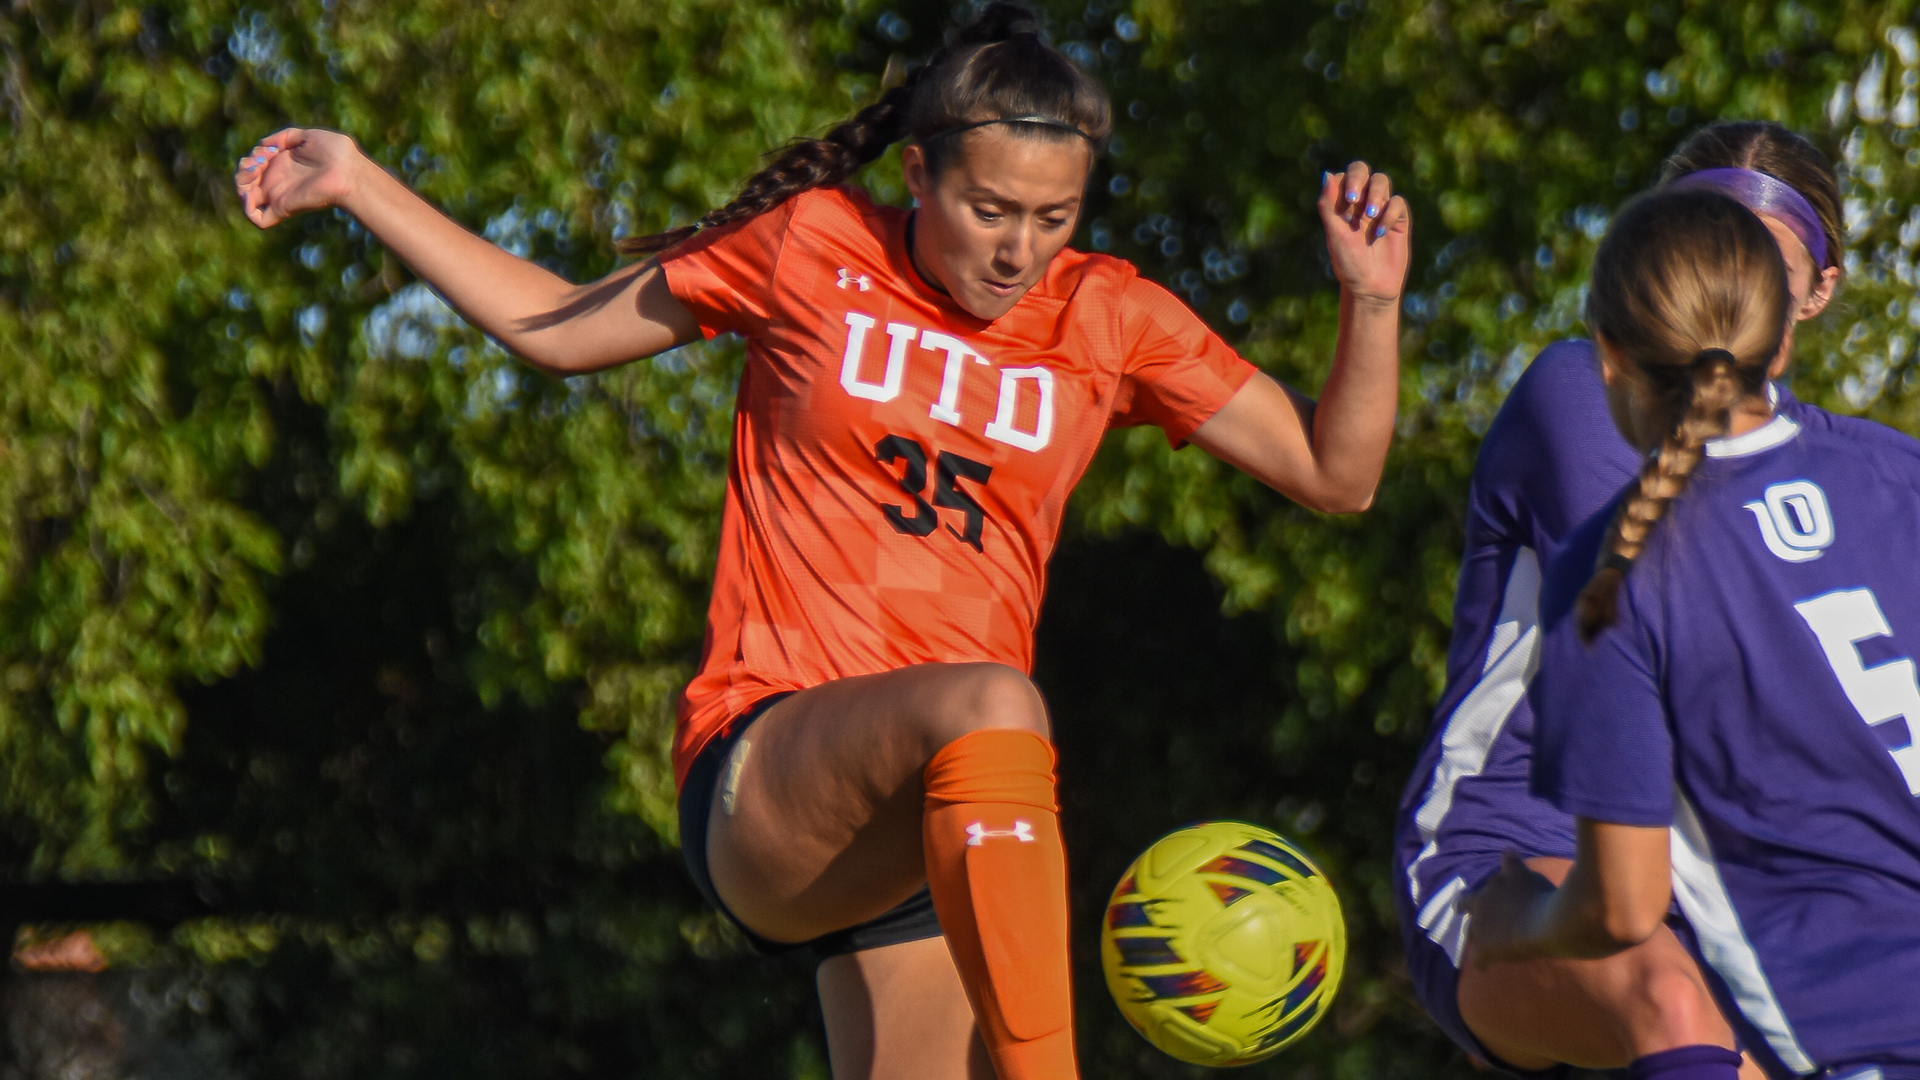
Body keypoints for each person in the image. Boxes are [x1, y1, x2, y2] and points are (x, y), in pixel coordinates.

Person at [233, 6, 1411, 1078]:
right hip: (768, 768)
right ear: (918, 173)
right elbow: (553, 329)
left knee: (987, 727)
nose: (1018, 249)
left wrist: (1368, 301)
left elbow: (1337, 475)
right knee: (997, 705)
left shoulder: (1106, 315)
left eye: (1053, 218)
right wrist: (358, 180)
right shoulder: (813, 246)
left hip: (938, 827)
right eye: (989, 210)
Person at [1392, 120, 1842, 1080]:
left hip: (1725, 897)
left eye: (1763, 258)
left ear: (1818, 290)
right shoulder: (1584, 390)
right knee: (1673, 1006)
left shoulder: (1850, 471)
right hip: (1515, 852)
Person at [1463, 185, 1920, 1079]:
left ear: (1607, 357)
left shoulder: (1619, 568)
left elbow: (1623, 908)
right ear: (1776, 333)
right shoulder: (1897, 468)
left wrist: (1513, 922)